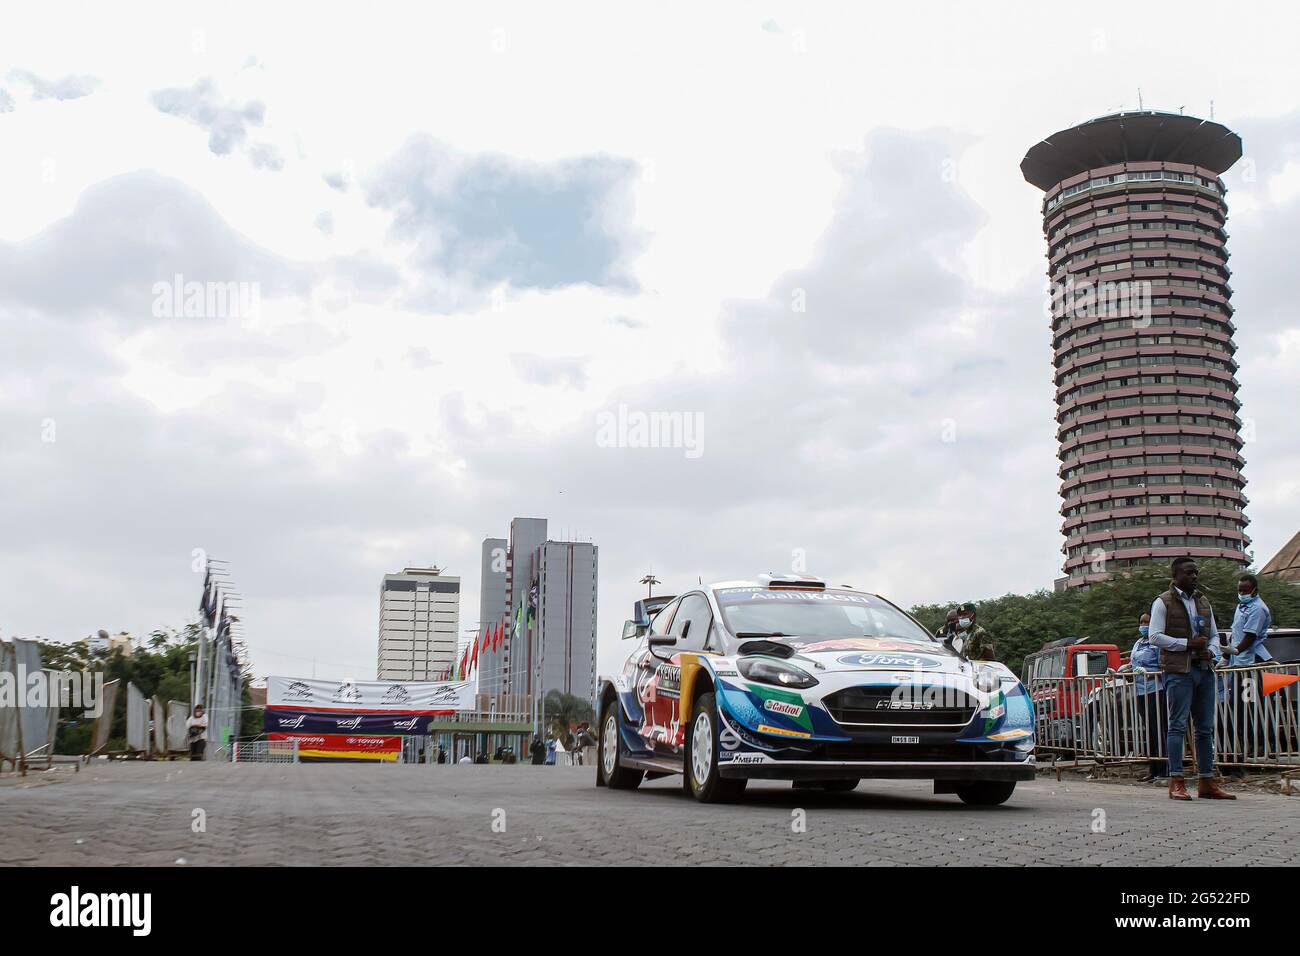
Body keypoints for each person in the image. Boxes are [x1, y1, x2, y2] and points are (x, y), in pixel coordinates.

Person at [1148, 557, 1235, 801]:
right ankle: (1176, 780)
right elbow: (1154, 636)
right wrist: (1186, 644)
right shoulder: (1162, 602)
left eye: (1196, 572)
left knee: (1205, 729)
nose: (1195, 576)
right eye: (1189, 572)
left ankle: (1206, 781)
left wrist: (1213, 652)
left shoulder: (1203, 601)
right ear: (1176, 575)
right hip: (1178, 671)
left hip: (1204, 669)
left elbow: (1215, 635)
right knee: (1177, 725)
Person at [1128, 612, 1166, 779]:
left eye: (1147, 622)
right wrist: (1121, 671)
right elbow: (1133, 664)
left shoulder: (1158, 642)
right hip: (1140, 690)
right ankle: (1153, 769)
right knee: (1149, 731)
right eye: (1141, 622)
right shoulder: (1138, 642)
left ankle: (1164, 769)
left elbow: (1163, 666)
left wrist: (1150, 673)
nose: (1143, 625)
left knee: (1159, 729)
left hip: (1156, 690)